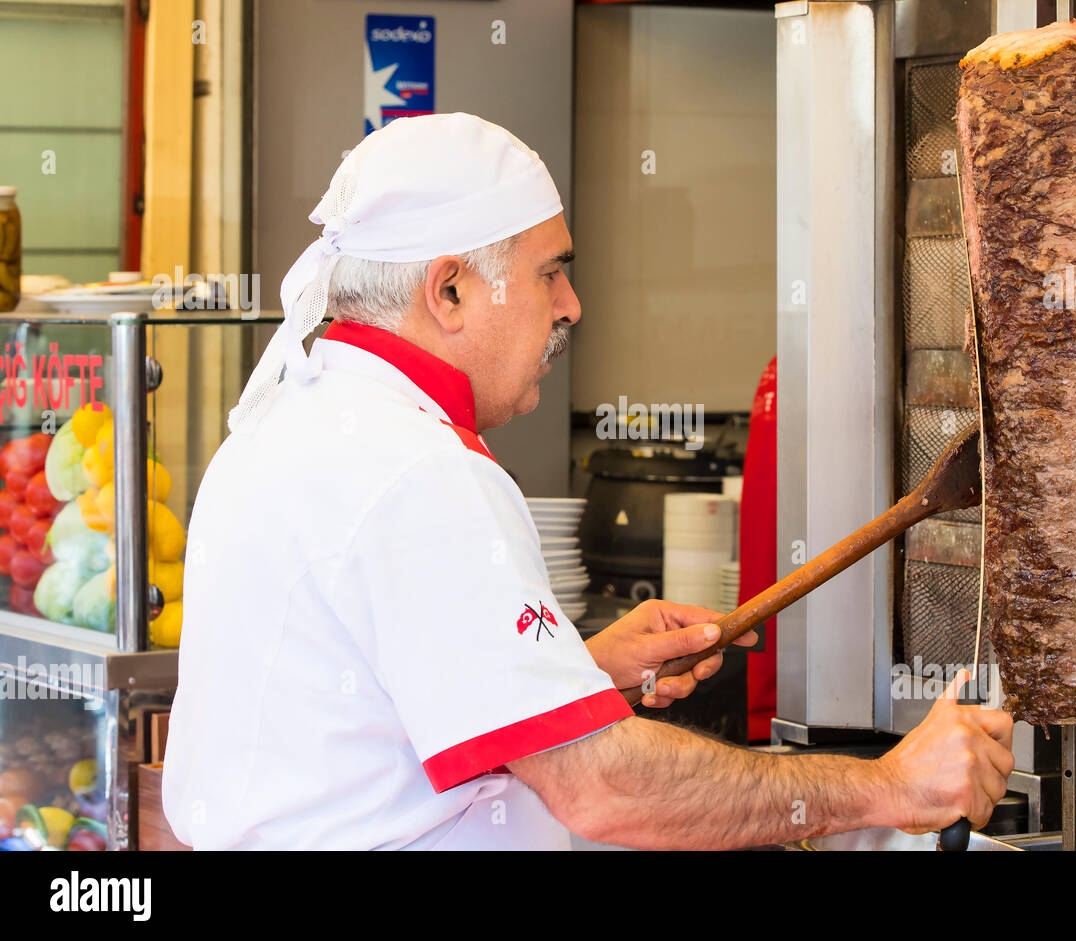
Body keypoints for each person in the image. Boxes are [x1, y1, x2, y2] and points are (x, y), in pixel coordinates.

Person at [162, 113, 1013, 849]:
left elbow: (373, 713)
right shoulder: (419, 470)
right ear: (449, 290)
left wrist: (578, 672)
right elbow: (604, 786)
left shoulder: (287, 424)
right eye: (549, 272)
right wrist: (894, 784)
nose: (570, 306)